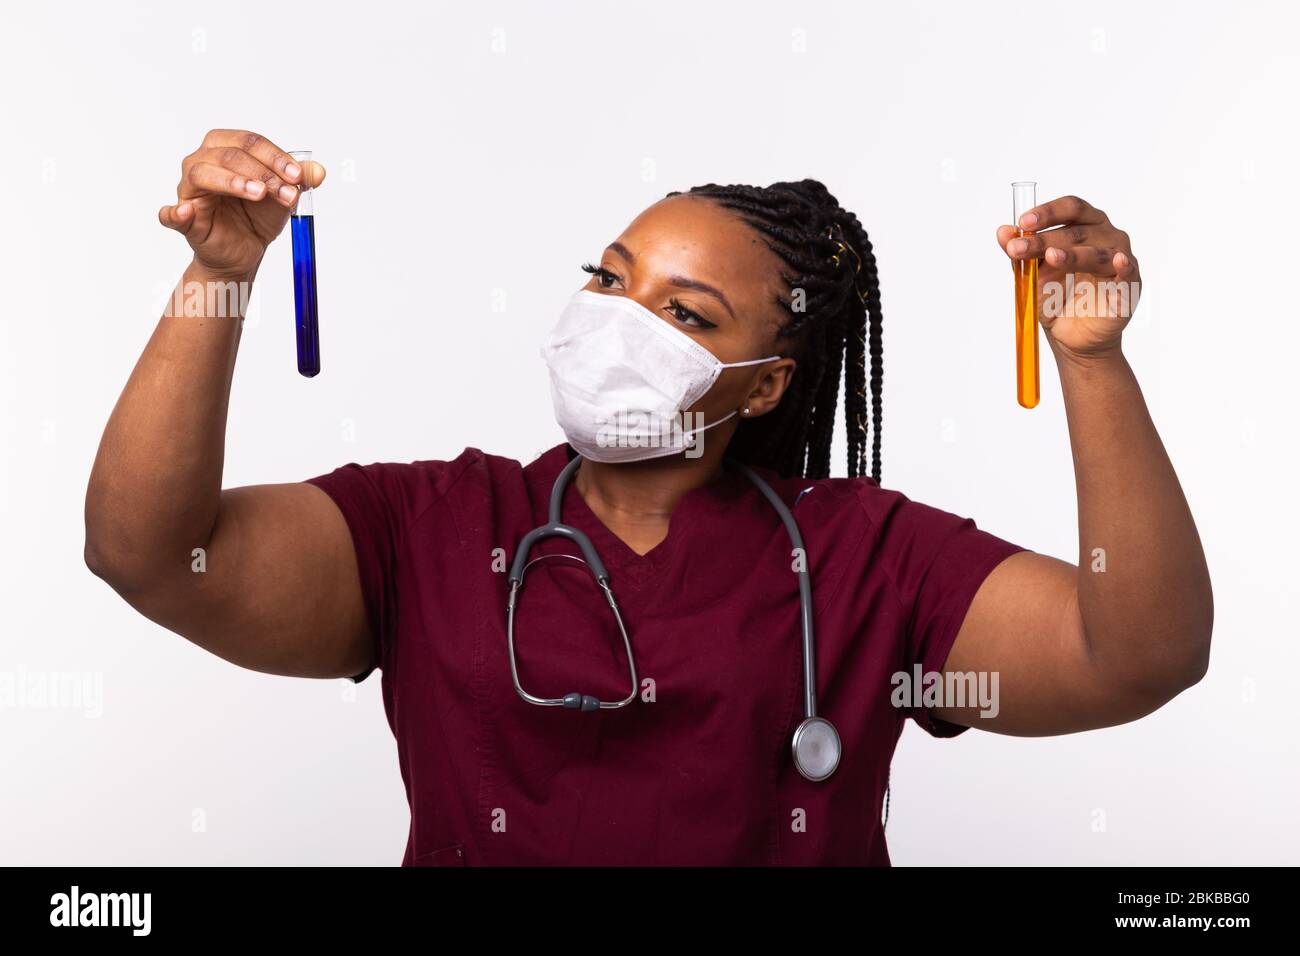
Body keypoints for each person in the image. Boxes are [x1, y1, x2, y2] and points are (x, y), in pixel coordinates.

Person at [84, 129, 1213, 866]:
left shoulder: (867, 558)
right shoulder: (433, 527)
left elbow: (1138, 653)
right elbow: (148, 551)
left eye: (686, 314)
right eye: (610, 279)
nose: (618, 322)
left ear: (766, 383)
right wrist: (216, 281)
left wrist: (1091, 359)